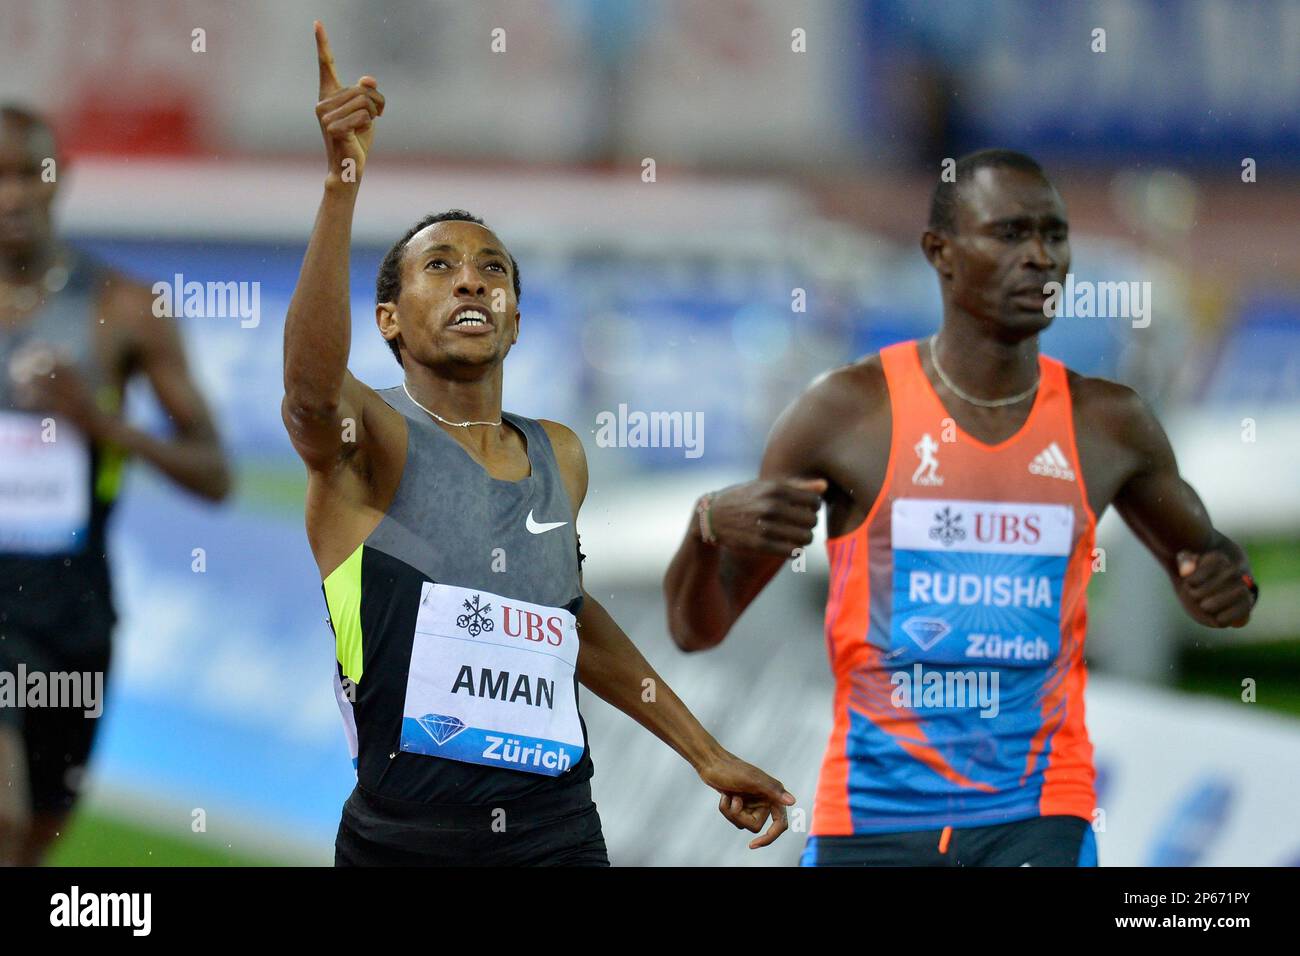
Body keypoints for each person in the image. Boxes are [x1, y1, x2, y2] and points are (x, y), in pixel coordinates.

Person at [283, 22, 793, 866]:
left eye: (492, 269)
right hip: (405, 841)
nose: (472, 279)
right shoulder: (364, 441)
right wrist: (342, 183)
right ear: (389, 322)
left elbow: (569, 617)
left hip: (556, 833)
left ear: (516, 318)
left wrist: (704, 751)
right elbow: (305, 389)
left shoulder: (561, 454)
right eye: (439, 267)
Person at [663, 149, 1258, 867]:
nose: (1040, 258)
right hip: (872, 821)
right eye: (1010, 234)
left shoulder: (1110, 424)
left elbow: (1220, 584)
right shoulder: (845, 414)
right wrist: (704, 528)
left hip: (1038, 816)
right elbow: (697, 629)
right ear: (938, 253)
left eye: (1055, 235)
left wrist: (1225, 581)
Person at [0, 105, 231, 865]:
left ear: (57, 178)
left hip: (74, 612)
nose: (10, 197)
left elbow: (214, 473)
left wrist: (100, 423)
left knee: (35, 839)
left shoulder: (125, 310)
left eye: (24, 174)